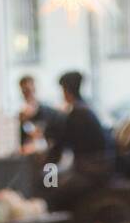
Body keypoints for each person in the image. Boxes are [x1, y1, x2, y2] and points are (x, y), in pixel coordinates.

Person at [44, 70, 114, 210]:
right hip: (102, 170)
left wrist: (48, 179)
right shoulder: (89, 110)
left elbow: (58, 149)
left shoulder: (76, 115)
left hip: (90, 174)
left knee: (53, 194)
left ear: (66, 91)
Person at [18, 74, 59, 151]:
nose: (28, 93)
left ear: (35, 89)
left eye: (30, 90)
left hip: (46, 152)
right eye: (25, 90)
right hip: (28, 153)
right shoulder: (21, 115)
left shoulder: (48, 111)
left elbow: (51, 138)